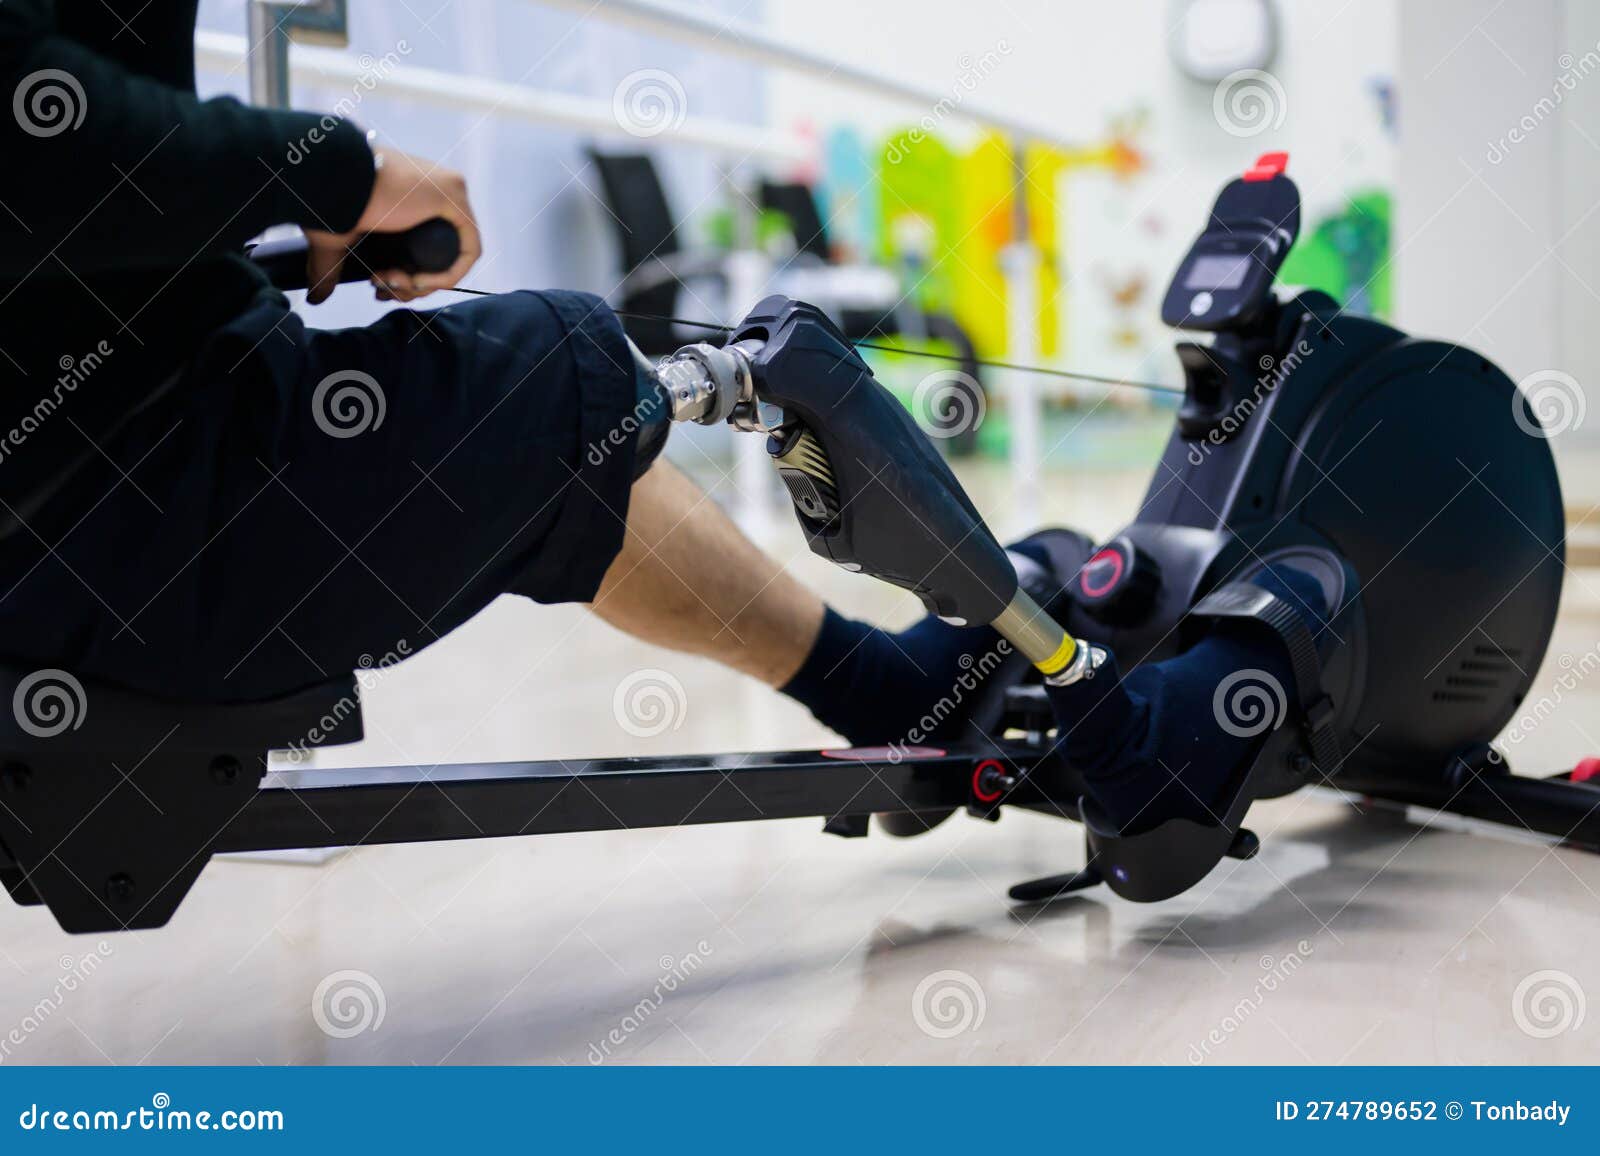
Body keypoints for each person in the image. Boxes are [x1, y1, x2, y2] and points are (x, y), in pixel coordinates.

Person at [0, 1, 1332, 840]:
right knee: (560, 367)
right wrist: (334, 167)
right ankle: (1097, 718)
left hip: (97, 495)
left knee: (526, 433)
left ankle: (896, 683)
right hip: (116, 527)